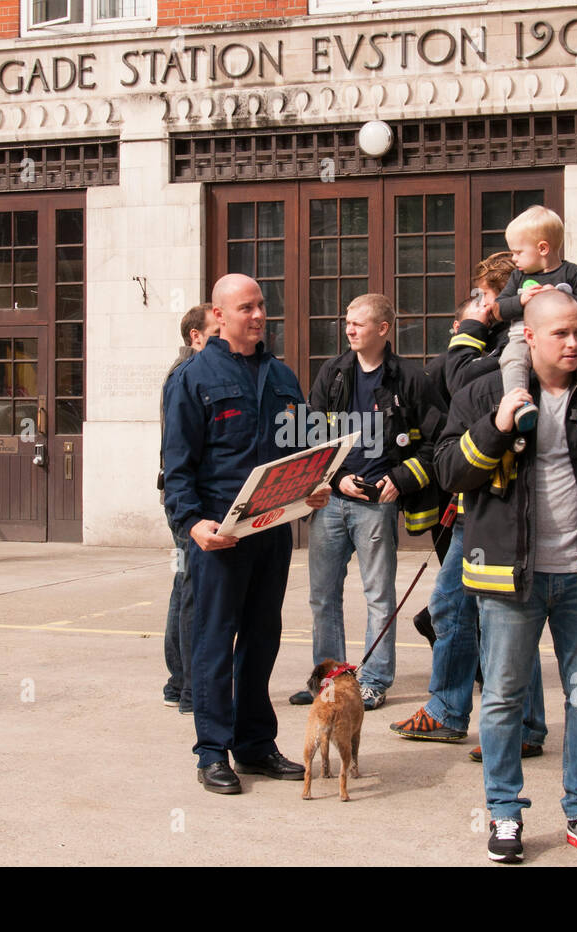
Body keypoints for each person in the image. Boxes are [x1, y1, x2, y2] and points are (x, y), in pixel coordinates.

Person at [436, 289, 577, 864]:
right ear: (528, 336)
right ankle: (505, 815)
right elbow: (450, 473)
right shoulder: (485, 391)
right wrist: (495, 427)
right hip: (510, 578)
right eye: (560, 333)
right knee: (504, 699)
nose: (573, 342)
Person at [162, 274, 330, 795]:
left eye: (262, 306)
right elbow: (176, 467)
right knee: (214, 644)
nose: (259, 315)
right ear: (218, 315)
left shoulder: (282, 376)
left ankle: (255, 745)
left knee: (262, 640)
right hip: (222, 535)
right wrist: (192, 526)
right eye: (246, 308)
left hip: (273, 531)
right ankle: (212, 752)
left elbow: (303, 446)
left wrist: (313, 488)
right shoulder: (193, 378)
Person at [392, 264, 548, 763]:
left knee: (505, 616)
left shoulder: (512, 345)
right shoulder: (502, 342)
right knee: (454, 608)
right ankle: (449, 711)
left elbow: (457, 381)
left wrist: (471, 331)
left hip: (500, 509)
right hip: (473, 504)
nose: (478, 305)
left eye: (484, 296)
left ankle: (519, 723)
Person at [289, 293, 438, 712]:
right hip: (331, 502)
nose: (349, 329)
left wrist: (401, 478)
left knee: (378, 595)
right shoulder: (333, 374)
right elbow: (310, 435)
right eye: (347, 322)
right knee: (322, 595)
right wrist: (335, 479)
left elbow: (435, 443)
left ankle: (373, 681)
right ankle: (331, 679)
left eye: (358, 323)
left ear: (383, 329)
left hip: (377, 504)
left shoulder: (409, 378)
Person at [494, 205, 577, 437]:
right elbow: (498, 309)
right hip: (521, 340)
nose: (513, 258)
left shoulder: (573, 273)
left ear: (543, 248)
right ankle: (519, 404)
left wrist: (562, 297)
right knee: (512, 358)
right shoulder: (518, 277)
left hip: (561, 345)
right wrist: (522, 300)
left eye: (518, 252)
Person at [159, 304, 218, 715]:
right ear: (195, 337)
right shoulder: (187, 376)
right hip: (187, 501)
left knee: (183, 584)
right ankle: (189, 687)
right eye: (216, 332)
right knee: (193, 587)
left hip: (180, 497)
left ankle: (177, 680)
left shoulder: (183, 372)